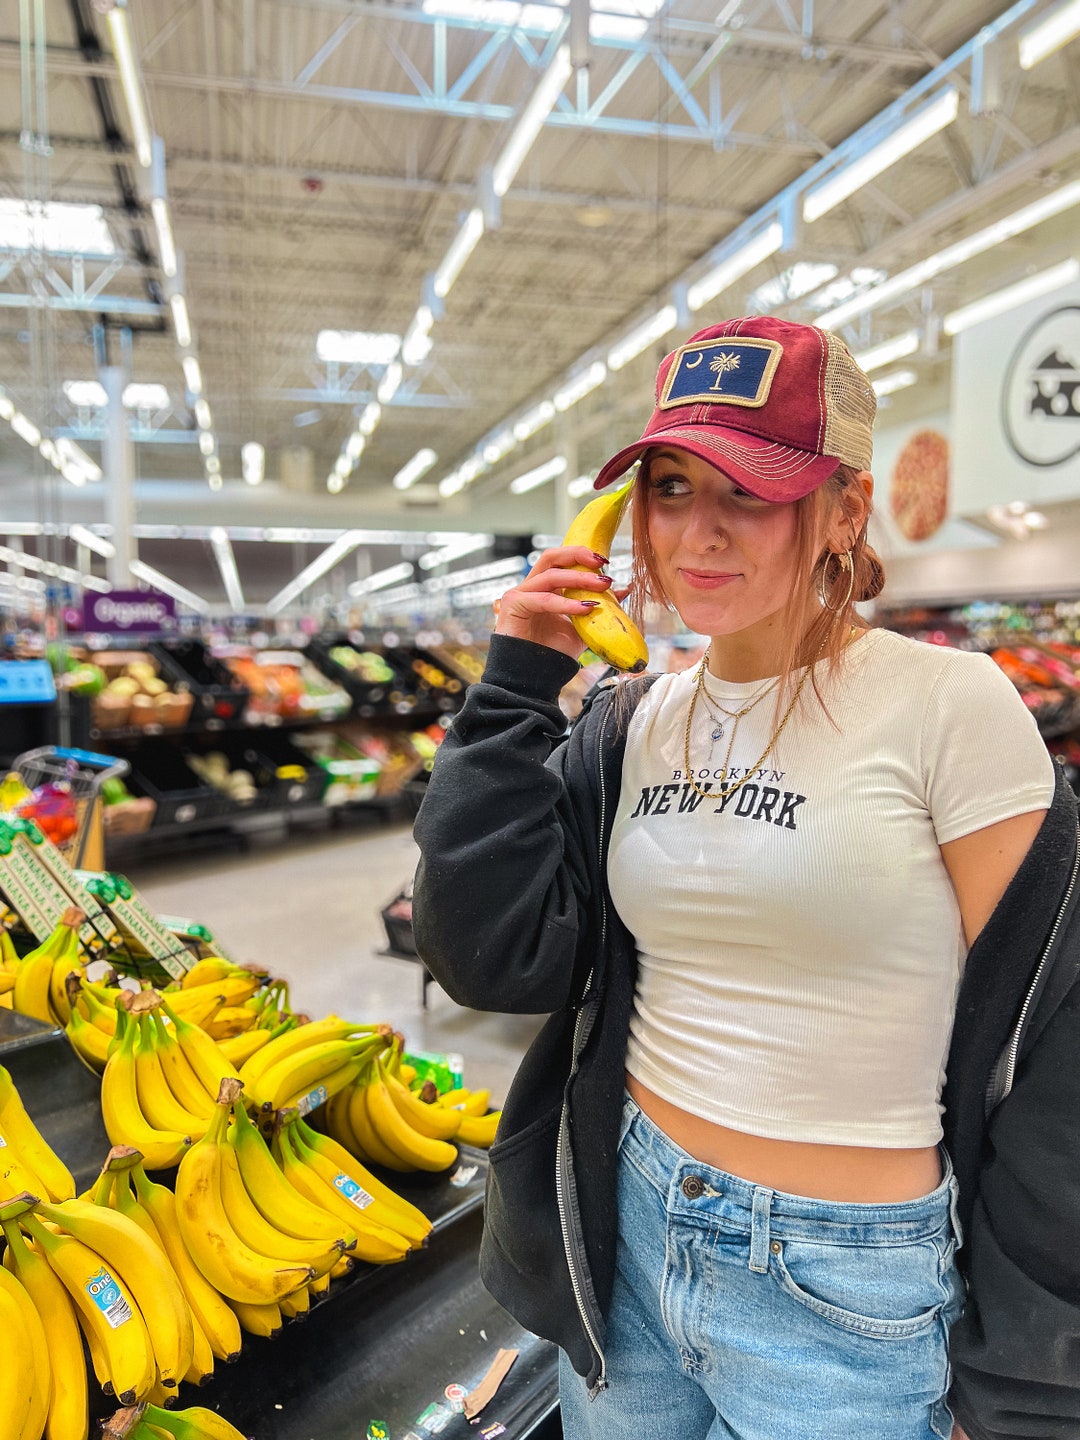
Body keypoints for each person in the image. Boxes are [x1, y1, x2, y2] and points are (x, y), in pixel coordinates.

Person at [413, 316, 1080, 1440]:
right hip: (628, 1230)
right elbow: (488, 957)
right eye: (670, 488)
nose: (699, 534)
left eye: (751, 491)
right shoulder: (631, 722)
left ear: (845, 510)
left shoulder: (948, 706)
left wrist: (1028, 1376)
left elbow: (1058, 1046)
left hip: (844, 1285)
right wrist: (516, 685)